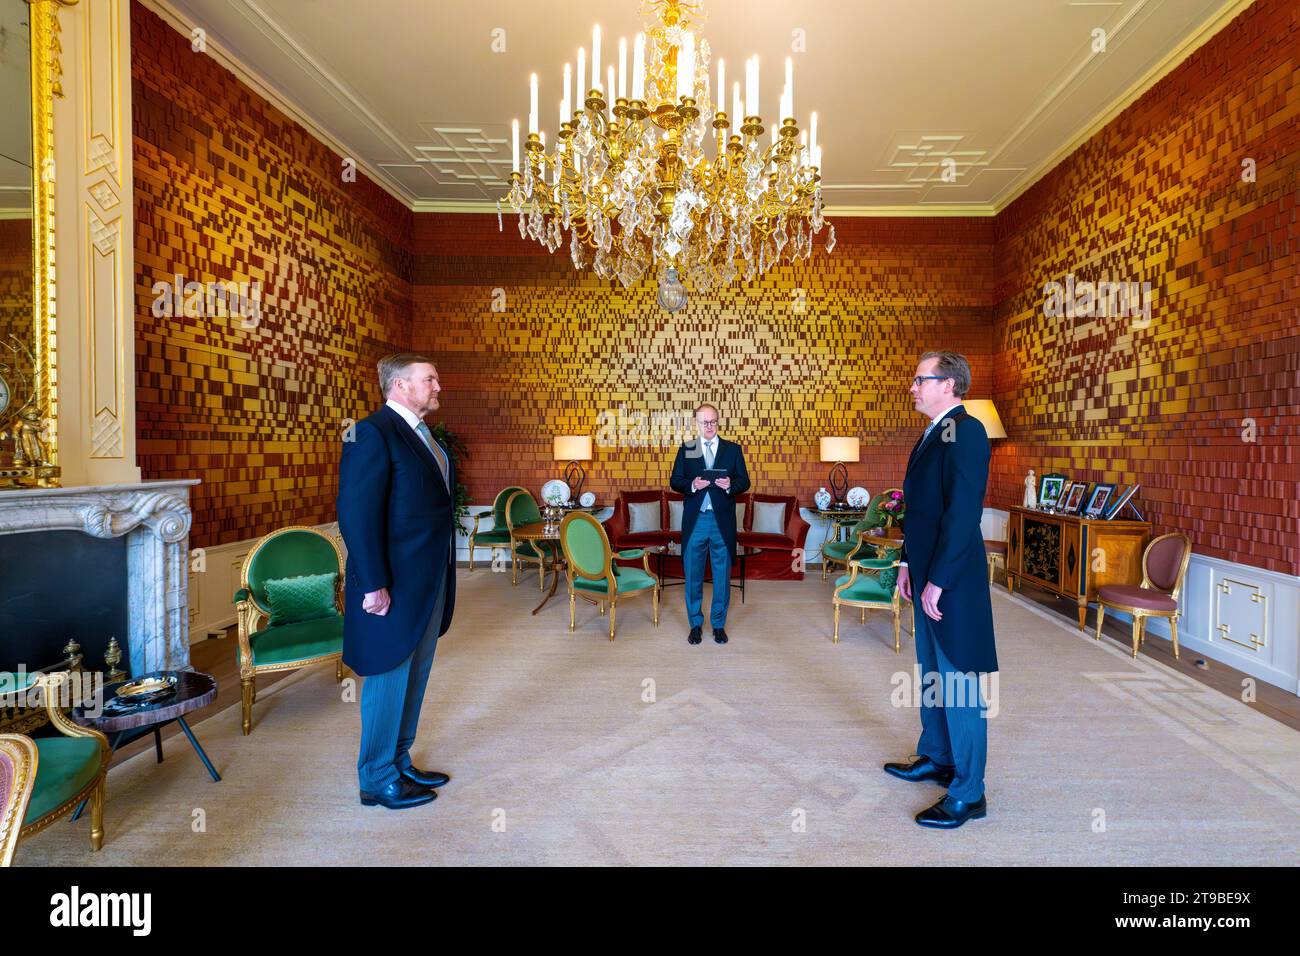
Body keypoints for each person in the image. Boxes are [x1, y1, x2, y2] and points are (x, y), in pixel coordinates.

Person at [337, 353, 457, 810]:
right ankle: (377, 778)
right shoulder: (372, 432)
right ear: (401, 386)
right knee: (389, 674)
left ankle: (400, 759)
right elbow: (356, 514)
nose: (438, 386)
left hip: (428, 581)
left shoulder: (425, 436)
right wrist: (373, 585)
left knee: (416, 673)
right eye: (430, 378)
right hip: (391, 584)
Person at [885, 351, 998, 829]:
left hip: (953, 581)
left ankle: (969, 792)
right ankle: (937, 756)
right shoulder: (932, 433)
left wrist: (940, 579)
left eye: (919, 379)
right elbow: (922, 512)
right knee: (930, 671)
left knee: (960, 682)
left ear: (948, 384)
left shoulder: (967, 430)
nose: (912, 387)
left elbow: (962, 513)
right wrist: (910, 562)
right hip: (927, 572)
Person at [669, 403, 751, 645]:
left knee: (722, 576)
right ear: (696, 423)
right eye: (704, 422)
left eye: (713, 421)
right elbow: (675, 480)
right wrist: (692, 484)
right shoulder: (688, 449)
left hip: (722, 521)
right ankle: (695, 624)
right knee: (693, 574)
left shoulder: (732, 449)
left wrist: (730, 486)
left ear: (718, 421)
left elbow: (744, 480)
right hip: (696, 521)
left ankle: (718, 625)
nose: (709, 426)